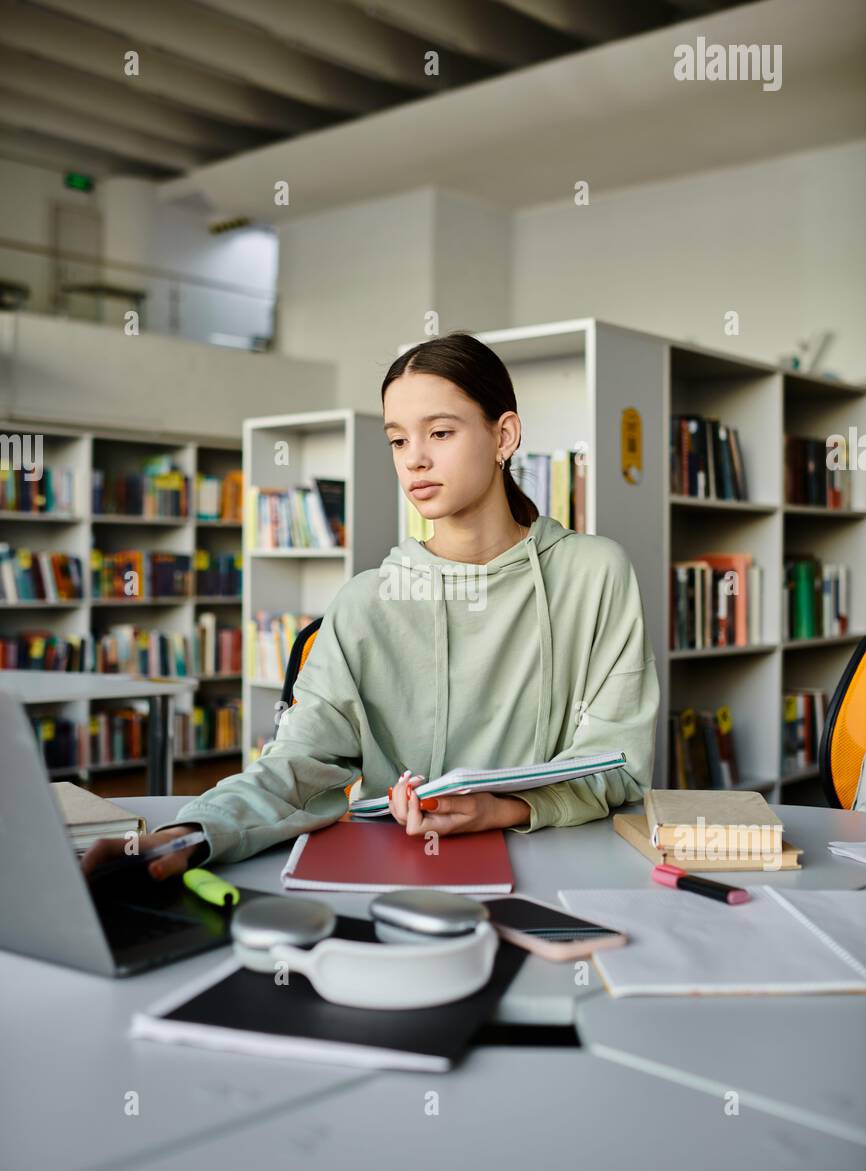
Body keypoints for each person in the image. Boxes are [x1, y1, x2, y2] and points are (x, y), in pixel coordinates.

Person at [81, 331, 660, 883]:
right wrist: (186, 836)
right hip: (398, 872)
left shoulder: (594, 574)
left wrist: (499, 808)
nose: (414, 460)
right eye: (398, 440)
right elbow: (297, 766)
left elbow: (617, 763)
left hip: (565, 869)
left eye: (440, 433)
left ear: (504, 436)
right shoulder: (366, 601)